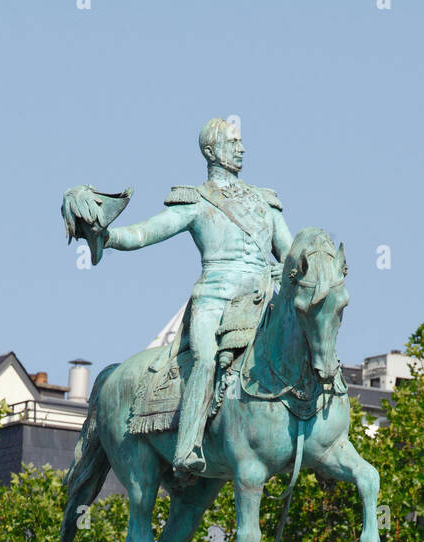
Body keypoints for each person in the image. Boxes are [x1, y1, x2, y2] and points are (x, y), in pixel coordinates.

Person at [103, 118, 293, 481]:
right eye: (233, 142)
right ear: (211, 150)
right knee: (205, 358)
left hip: (260, 299)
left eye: (241, 142)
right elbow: (145, 233)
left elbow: (289, 255)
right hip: (215, 298)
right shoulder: (196, 201)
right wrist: (107, 236)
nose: (242, 148)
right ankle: (188, 445)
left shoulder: (265, 203)